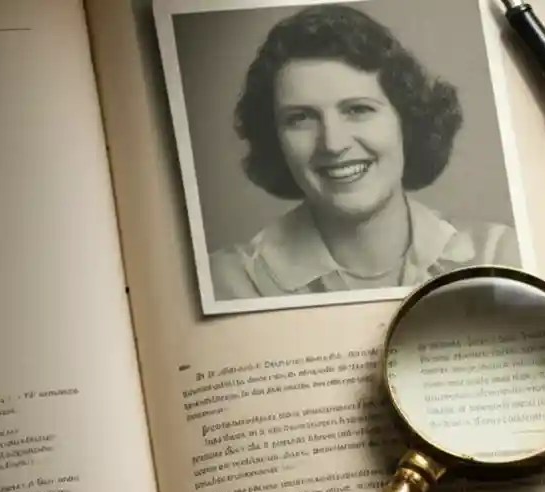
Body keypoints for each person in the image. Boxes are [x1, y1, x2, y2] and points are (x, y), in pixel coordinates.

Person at [210, 5, 520, 301]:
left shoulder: (499, 257)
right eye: (300, 118)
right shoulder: (229, 283)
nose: (333, 144)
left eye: (358, 110)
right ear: (274, 138)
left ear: (407, 120)